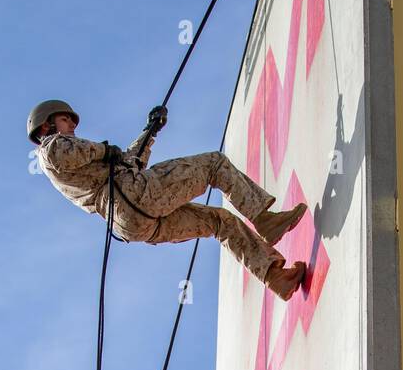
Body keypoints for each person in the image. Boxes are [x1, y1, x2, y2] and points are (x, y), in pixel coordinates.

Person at [28, 99, 307, 301]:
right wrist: (103, 150)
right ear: (46, 126)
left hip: (132, 222)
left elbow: (129, 162)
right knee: (214, 163)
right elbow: (74, 153)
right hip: (132, 195)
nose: (73, 126)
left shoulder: (82, 161)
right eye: (66, 120)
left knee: (219, 221)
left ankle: (275, 277)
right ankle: (265, 219)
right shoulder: (50, 148)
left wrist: (150, 131)